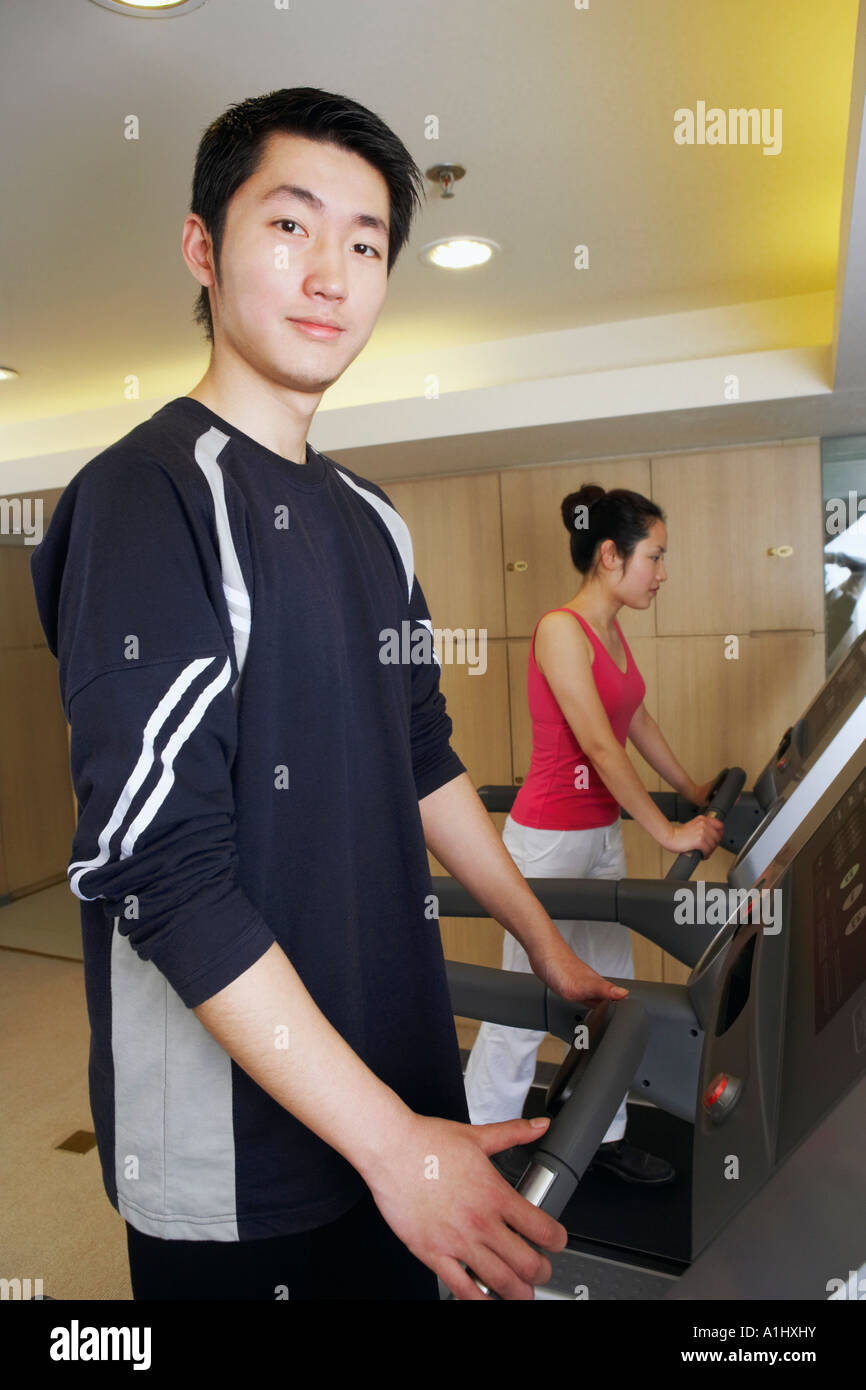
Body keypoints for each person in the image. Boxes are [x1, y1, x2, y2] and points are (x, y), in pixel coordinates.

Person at [29, 88, 631, 1303]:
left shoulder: (371, 520)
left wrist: (540, 939)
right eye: (291, 226)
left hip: (399, 1092)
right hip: (241, 1157)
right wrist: (387, 1142)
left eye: (364, 244)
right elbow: (157, 865)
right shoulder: (147, 498)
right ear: (203, 246)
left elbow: (423, 754)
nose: (331, 275)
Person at [464, 484, 724, 1183]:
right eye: (655, 556)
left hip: (598, 836)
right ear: (611, 555)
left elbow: (635, 722)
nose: (662, 572)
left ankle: (604, 1137)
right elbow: (601, 750)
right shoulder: (560, 629)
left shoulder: (613, 631)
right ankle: (481, 1142)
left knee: (611, 993)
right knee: (526, 1002)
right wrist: (670, 833)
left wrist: (695, 789)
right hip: (547, 843)